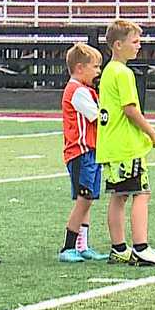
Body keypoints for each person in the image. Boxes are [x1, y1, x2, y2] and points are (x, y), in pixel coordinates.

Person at [97, 19, 155, 266]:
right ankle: (140, 247)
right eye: (135, 41)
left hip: (111, 144)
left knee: (119, 196)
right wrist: (152, 133)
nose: (139, 46)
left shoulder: (109, 70)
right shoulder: (123, 72)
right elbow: (130, 109)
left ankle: (119, 248)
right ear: (118, 45)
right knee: (141, 193)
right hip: (127, 144)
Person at [59, 42, 106, 263]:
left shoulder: (84, 90)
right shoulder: (77, 91)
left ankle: (83, 244)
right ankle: (68, 246)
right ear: (80, 68)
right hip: (81, 151)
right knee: (83, 198)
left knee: (88, 200)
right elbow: (97, 117)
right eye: (95, 67)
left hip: (92, 151)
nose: (98, 72)